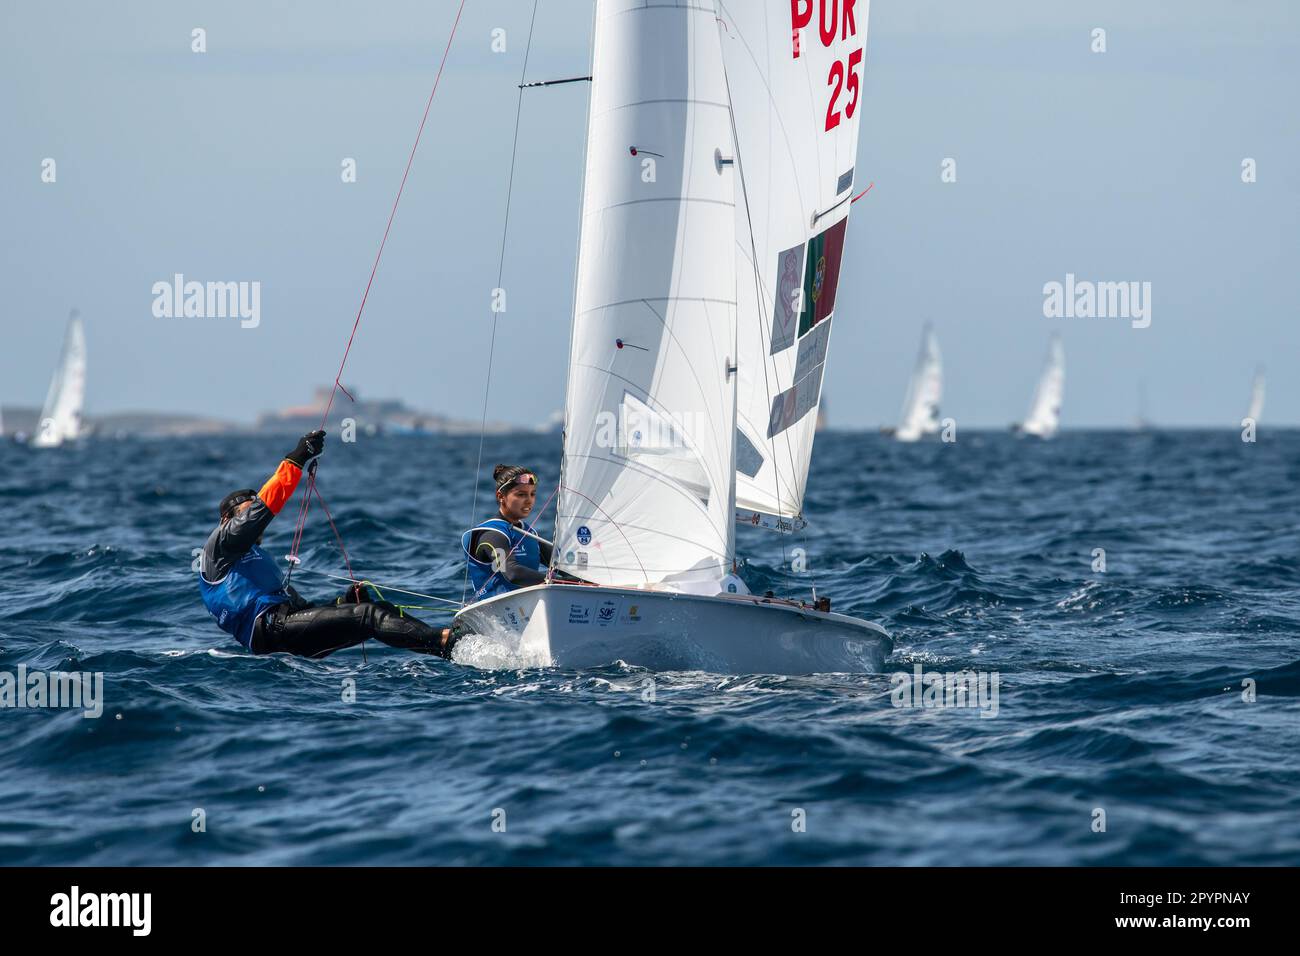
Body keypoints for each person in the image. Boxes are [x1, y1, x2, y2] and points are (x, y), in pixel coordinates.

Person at [198, 430, 459, 659]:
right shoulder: (218, 548)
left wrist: (341, 602)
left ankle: (448, 650)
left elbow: (304, 611)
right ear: (226, 519)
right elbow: (264, 508)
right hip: (268, 632)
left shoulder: (260, 561)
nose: (253, 519)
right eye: (245, 512)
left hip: (284, 633)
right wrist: (296, 459)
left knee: (376, 610)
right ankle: (447, 642)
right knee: (367, 616)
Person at [462, 464, 553, 602]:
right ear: (500, 496)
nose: (529, 500)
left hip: (532, 604)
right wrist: (560, 581)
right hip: (493, 610)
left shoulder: (530, 534)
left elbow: (563, 566)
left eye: (532, 494)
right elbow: (511, 572)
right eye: (521, 494)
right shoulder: (491, 535)